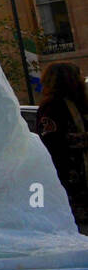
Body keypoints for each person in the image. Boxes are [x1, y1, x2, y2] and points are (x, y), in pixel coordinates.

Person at [35, 61, 88, 230]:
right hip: (72, 181)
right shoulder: (53, 106)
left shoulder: (79, 104)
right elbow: (52, 142)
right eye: (77, 76)